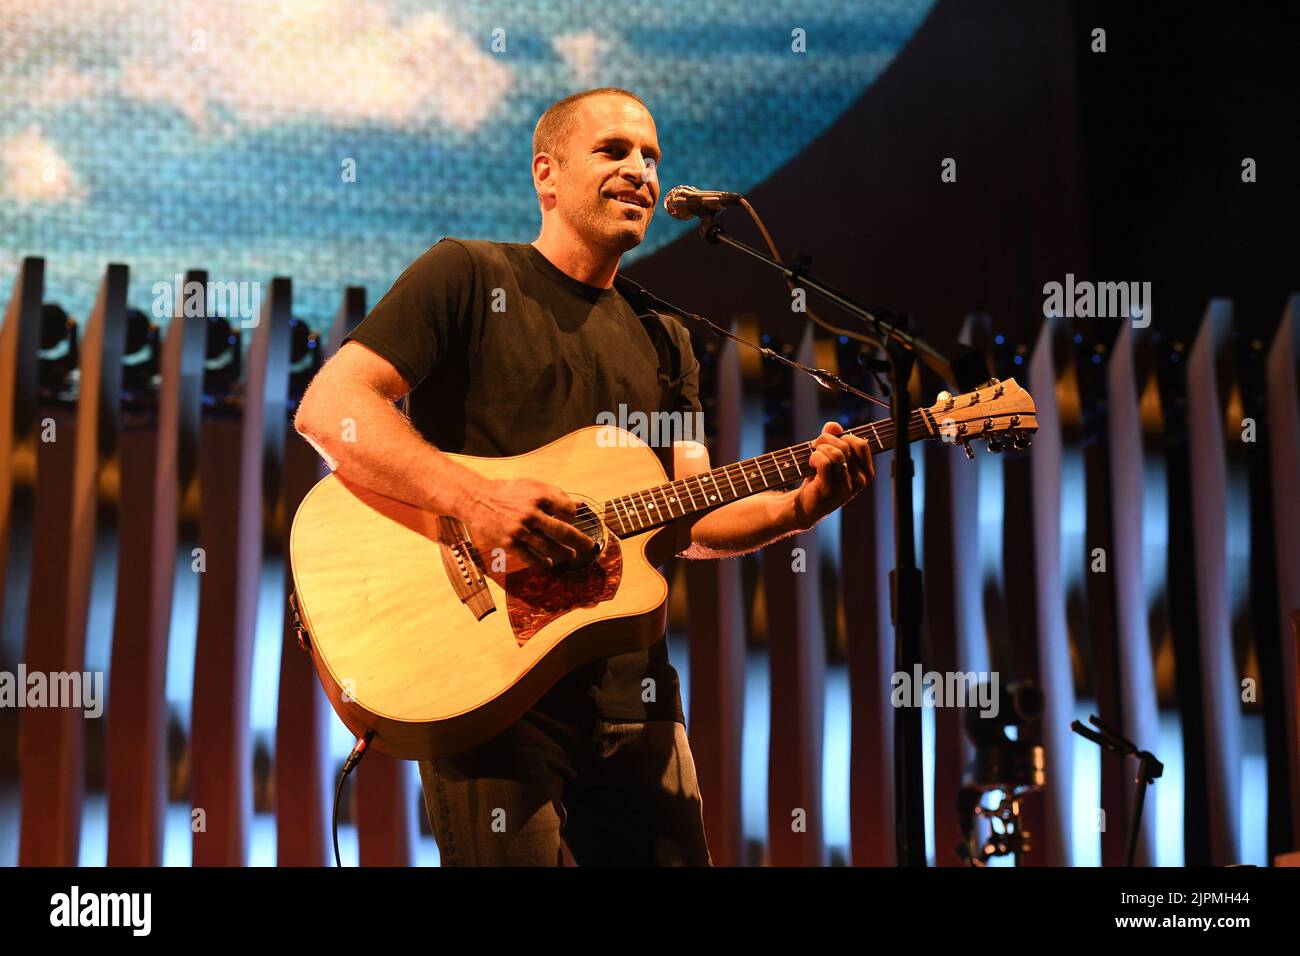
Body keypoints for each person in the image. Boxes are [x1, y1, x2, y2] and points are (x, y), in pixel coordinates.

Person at [293, 87, 873, 866]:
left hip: (636, 696)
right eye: (614, 151)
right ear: (548, 175)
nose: (641, 171)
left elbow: (689, 520)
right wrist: (477, 500)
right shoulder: (464, 274)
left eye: (651, 158)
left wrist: (800, 507)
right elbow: (332, 408)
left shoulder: (666, 340)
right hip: (487, 681)